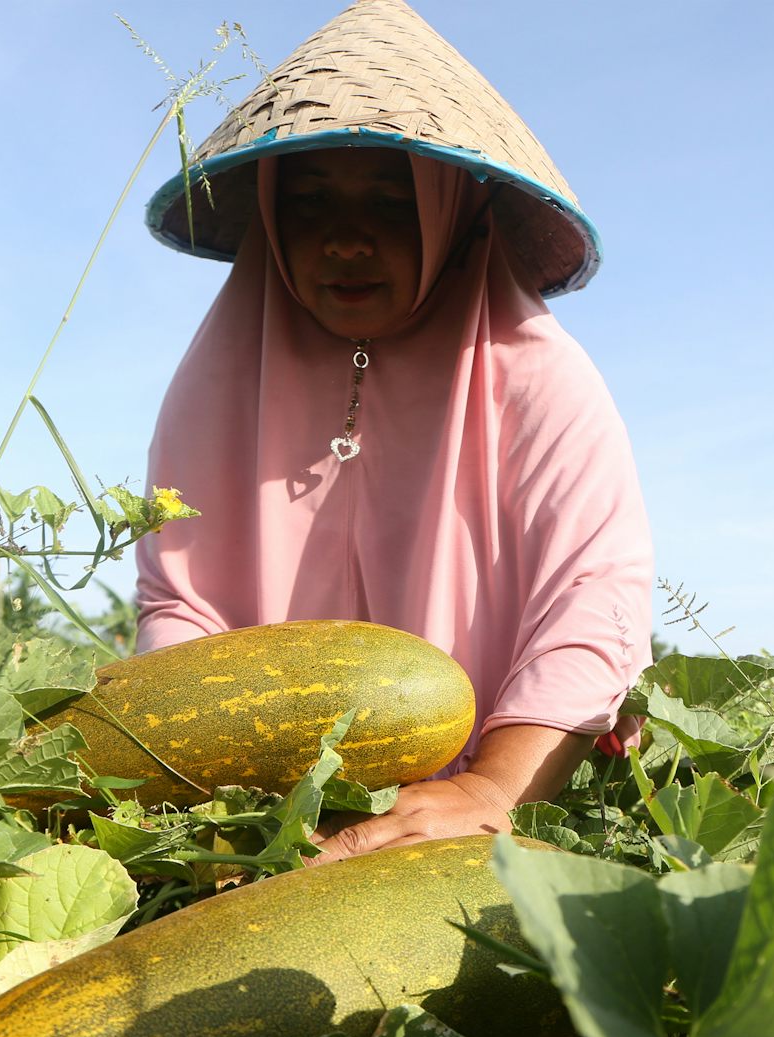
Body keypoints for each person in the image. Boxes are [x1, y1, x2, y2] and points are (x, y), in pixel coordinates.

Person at [135, 0, 653, 860]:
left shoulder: (538, 378)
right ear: (272, 216)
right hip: (258, 795)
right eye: (310, 204)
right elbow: (179, 603)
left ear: (450, 215)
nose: (347, 242)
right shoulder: (216, 382)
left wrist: (491, 789)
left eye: (389, 204)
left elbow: (595, 596)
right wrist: (221, 800)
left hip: (490, 793)